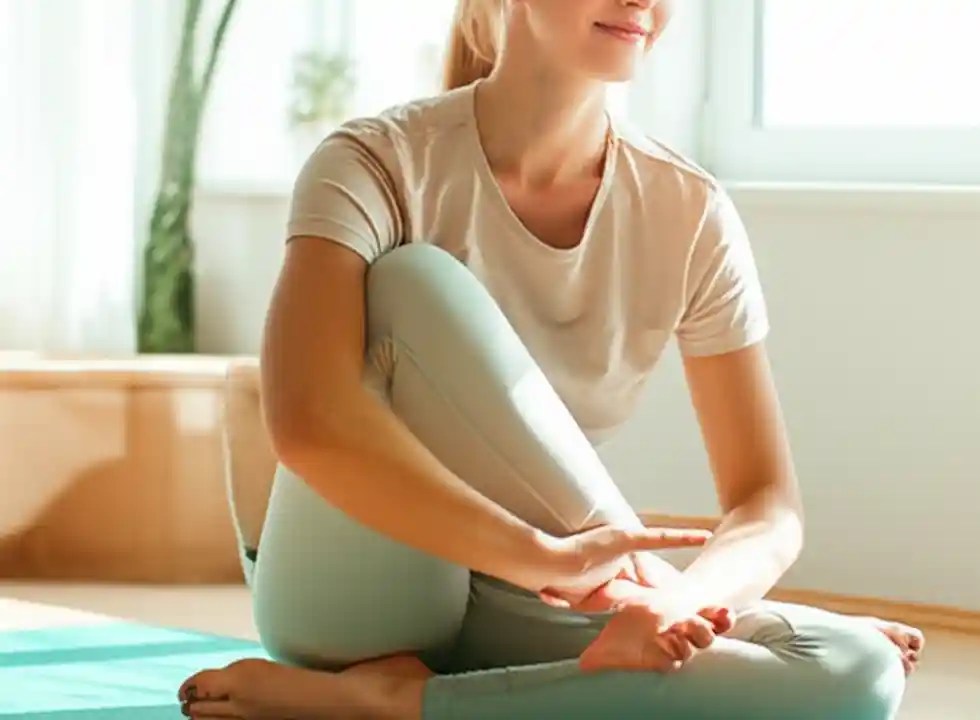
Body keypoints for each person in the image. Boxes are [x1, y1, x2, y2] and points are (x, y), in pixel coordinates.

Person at [180, 0, 923, 718]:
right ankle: (626, 627)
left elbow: (767, 504)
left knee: (856, 670)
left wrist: (680, 605)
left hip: (536, 599)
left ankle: (394, 704)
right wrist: (550, 560)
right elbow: (309, 425)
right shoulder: (376, 162)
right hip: (358, 592)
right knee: (412, 281)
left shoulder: (687, 209)